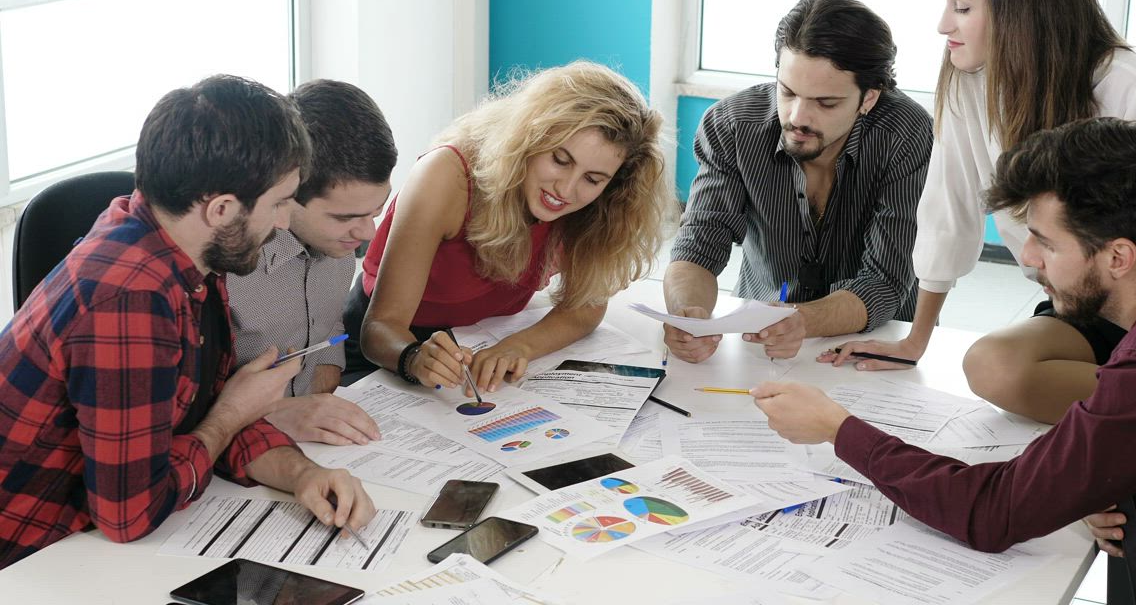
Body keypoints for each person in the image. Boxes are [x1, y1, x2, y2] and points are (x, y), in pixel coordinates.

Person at [755, 118, 1136, 602]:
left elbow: (989, 513)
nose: (1026, 258)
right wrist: (1106, 475)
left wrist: (837, 427)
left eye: (1046, 243)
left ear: (1119, 257)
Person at [828, 0, 1136, 424]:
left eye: (962, 7)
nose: (944, 24)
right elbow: (948, 207)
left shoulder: (1122, 82)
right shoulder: (967, 81)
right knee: (990, 365)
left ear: (1019, 10)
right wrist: (917, 338)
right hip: (1080, 300)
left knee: (1120, 377)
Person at [0, 75, 375, 569]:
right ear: (221, 210)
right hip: (32, 558)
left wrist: (302, 475)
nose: (284, 223)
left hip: (82, 539)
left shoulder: (184, 252)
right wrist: (231, 415)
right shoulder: (129, 298)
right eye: (280, 203)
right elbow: (130, 515)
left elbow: (199, 415)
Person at [346, 61, 670, 393]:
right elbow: (379, 326)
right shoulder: (445, 176)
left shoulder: (596, 206)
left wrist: (519, 346)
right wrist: (413, 356)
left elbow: (584, 308)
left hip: (477, 342)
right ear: (530, 136)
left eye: (592, 179)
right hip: (387, 350)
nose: (566, 190)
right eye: (560, 160)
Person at [663, 0, 933, 363]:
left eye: (826, 103)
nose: (798, 117)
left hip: (876, 339)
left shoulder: (906, 134)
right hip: (762, 335)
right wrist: (687, 315)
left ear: (868, 98)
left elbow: (884, 282)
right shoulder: (731, 125)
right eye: (787, 92)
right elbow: (699, 243)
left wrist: (801, 319)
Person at [227, 79, 398, 446]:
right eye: (344, 217)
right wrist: (275, 417)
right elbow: (177, 412)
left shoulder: (335, 243)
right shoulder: (223, 264)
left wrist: (324, 381)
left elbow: (327, 330)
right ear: (288, 194)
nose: (367, 233)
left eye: (376, 212)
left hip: (316, 442)